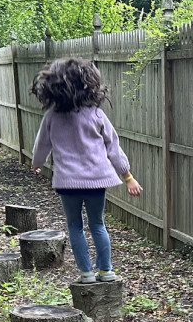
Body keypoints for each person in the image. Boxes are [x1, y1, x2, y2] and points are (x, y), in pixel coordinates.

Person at [30, 57, 142, 283]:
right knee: (98, 224)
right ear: (89, 86)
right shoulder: (96, 114)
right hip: (96, 181)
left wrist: (37, 163)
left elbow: (42, 144)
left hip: (67, 182)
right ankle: (106, 270)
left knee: (74, 226)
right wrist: (127, 176)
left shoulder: (52, 116)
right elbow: (114, 148)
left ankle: (86, 273)